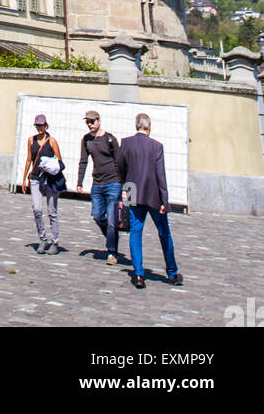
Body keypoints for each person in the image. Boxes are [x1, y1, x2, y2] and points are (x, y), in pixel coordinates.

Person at [117, 112, 183, 289]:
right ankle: (171, 273)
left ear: (136, 125)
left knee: (135, 233)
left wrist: (125, 186)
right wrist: (165, 200)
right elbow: (160, 175)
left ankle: (138, 274)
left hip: (132, 190)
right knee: (164, 233)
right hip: (153, 193)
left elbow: (121, 168)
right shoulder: (156, 146)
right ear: (149, 127)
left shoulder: (126, 143)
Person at [76, 109, 123, 264]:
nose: (90, 124)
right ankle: (112, 236)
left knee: (111, 220)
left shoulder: (110, 139)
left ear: (99, 121)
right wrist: (79, 182)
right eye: (87, 122)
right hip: (97, 184)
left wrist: (122, 186)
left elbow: (119, 162)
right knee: (97, 215)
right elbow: (83, 161)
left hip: (113, 184)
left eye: (92, 121)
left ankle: (112, 253)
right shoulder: (86, 140)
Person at [21, 113, 65, 254]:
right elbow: (29, 159)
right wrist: (24, 178)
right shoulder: (31, 140)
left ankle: (55, 242)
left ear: (46, 126)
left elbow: (59, 162)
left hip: (50, 180)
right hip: (35, 178)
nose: (39, 128)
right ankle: (43, 239)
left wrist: (47, 167)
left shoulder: (52, 141)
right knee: (37, 209)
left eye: (41, 125)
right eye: (37, 125)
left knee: (52, 212)